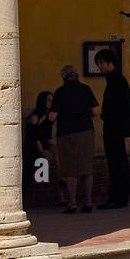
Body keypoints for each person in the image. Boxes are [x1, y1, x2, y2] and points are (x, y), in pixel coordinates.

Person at [50, 64, 99, 214]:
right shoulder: (86, 89)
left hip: (66, 133)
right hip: (86, 130)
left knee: (71, 169)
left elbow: (52, 116)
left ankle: (72, 204)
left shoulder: (60, 92)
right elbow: (96, 111)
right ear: (77, 75)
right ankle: (88, 203)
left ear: (64, 77)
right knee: (86, 168)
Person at [94, 49, 130, 210]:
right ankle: (119, 197)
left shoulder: (116, 81)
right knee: (117, 162)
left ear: (109, 63)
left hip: (114, 128)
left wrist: (106, 117)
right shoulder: (116, 80)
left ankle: (118, 198)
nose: (99, 67)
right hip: (115, 127)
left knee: (117, 163)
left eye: (101, 63)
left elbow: (116, 107)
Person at [24, 90, 66, 204]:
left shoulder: (51, 117)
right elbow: (33, 137)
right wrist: (42, 151)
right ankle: (61, 187)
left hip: (47, 145)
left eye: (52, 101)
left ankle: (61, 191)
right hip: (35, 147)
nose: (50, 103)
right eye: (48, 100)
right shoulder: (34, 117)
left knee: (58, 154)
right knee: (54, 157)